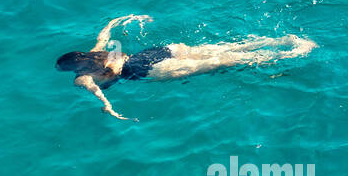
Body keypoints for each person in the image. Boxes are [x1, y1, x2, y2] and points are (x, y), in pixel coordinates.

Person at [55, 14, 317, 120]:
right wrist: (129, 18)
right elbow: (107, 29)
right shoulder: (96, 53)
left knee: (222, 62)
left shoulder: (81, 78)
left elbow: (97, 93)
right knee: (224, 48)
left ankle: (291, 55)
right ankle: (282, 40)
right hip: (156, 53)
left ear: (71, 68)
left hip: (144, 72)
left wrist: (110, 109)